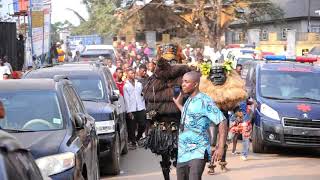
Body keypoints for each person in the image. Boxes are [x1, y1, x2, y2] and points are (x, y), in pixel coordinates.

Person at [143, 43, 190, 180]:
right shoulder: (154, 82)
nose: (170, 64)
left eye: (173, 61)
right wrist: (151, 117)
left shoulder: (185, 80)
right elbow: (149, 108)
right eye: (167, 61)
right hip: (162, 127)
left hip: (180, 126)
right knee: (165, 158)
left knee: (180, 159)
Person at [172, 71, 228, 180]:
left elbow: (222, 121)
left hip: (198, 150)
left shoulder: (204, 101)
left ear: (195, 84)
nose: (183, 84)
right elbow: (190, 115)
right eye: (183, 81)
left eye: (186, 82)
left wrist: (220, 147)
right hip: (183, 151)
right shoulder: (189, 99)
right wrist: (179, 104)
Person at [124, 68, 146, 149]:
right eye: (130, 73)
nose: (132, 74)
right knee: (132, 127)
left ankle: (138, 137)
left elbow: (142, 94)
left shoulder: (139, 84)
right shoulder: (125, 85)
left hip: (140, 107)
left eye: (133, 73)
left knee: (143, 124)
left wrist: (144, 105)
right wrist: (129, 111)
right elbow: (126, 99)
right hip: (132, 109)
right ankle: (133, 142)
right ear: (127, 74)